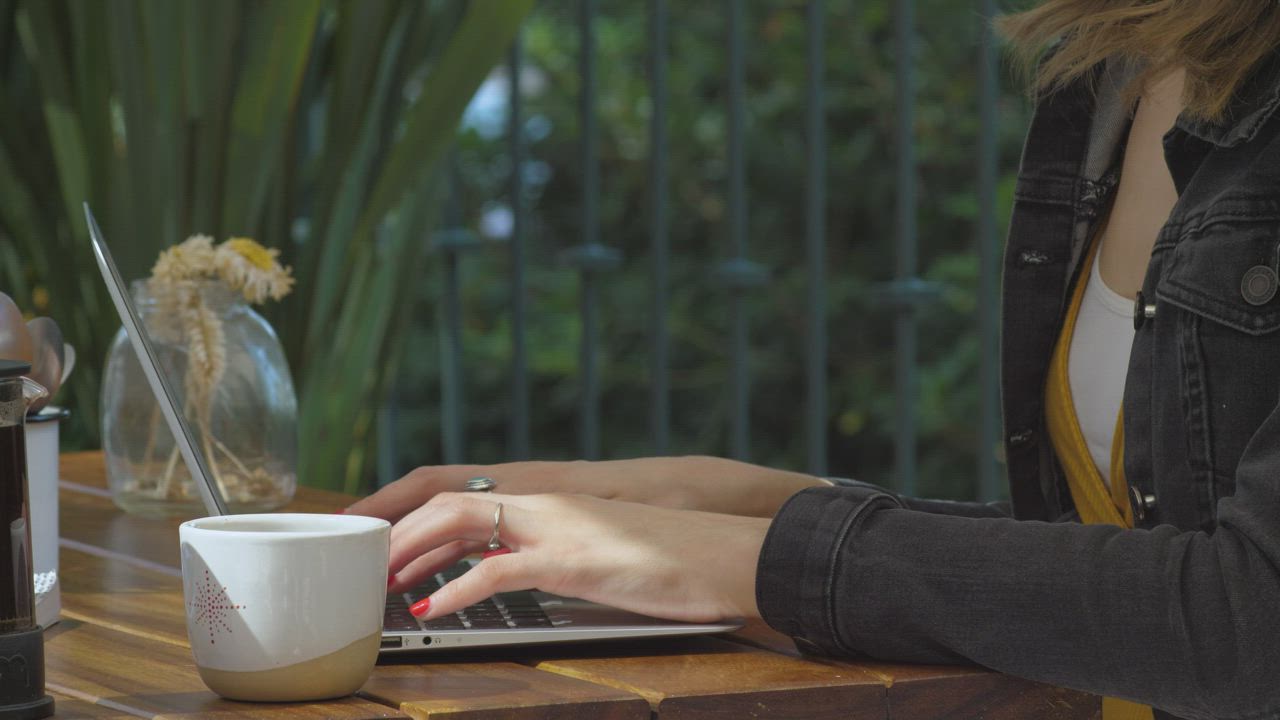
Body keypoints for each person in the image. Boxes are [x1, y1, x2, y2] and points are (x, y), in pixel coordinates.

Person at [345, 2, 1280, 718]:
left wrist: (755, 558)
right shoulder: (1117, 62)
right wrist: (742, 503)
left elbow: (1252, 620)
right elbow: (1125, 555)